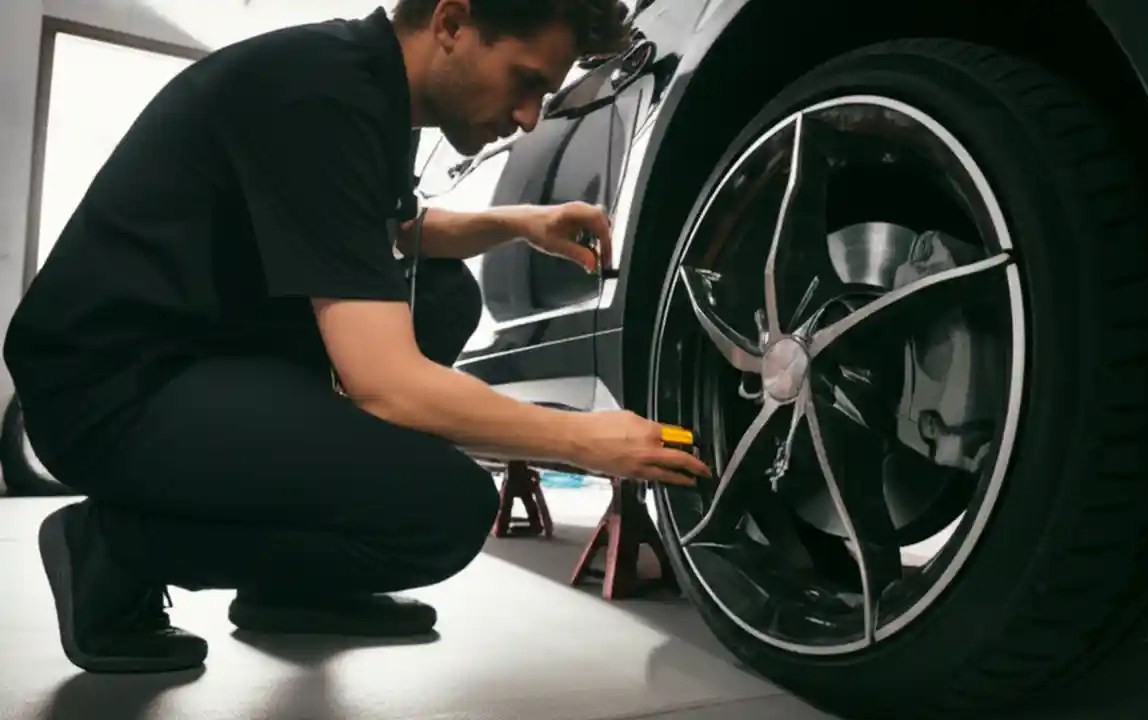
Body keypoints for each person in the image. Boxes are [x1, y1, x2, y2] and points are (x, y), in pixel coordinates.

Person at [2, 0, 711, 675]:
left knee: (440, 293)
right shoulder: (319, 93)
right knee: (442, 513)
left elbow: (393, 234)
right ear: (453, 22)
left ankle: (294, 588)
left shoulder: (368, 87)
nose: (528, 119)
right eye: (525, 83)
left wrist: (524, 221)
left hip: (195, 352)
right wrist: (584, 440)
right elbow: (387, 386)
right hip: (106, 389)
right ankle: (116, 551)